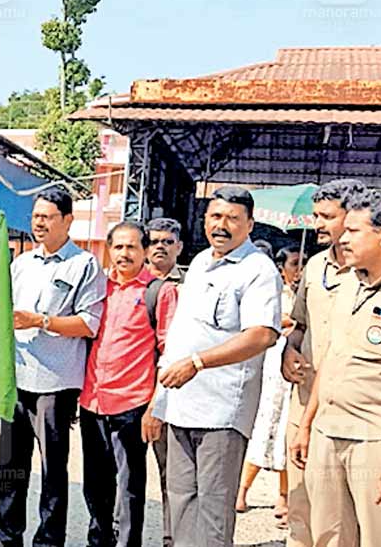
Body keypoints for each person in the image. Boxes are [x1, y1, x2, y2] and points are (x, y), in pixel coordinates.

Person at [291, 190, 381, 546]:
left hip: (378, 440)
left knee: (378, 539)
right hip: (327, 432)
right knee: (328, 537)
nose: (343, 237)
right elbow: (332, 358)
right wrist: (307, 425)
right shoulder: (349, 284)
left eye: (354, 230)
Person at [151, 186, 281, 547]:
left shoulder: (258, 270)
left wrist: (198, 363)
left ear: (249, 224)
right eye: (215, 216)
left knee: (212, 512)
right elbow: (181, 336)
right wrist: (159, 401)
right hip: (180, 407)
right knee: (179, 503)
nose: (221, 226)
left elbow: (261, 335)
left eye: (232, 219)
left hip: (221, 413)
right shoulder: (199, 263)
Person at [0, 185, 104, 547]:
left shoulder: (84, 265)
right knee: (12, 465)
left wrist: (40, 321)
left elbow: (88, 323)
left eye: (48, 217)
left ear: (68, 220)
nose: (40, 224)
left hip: (54, 382)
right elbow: (2, 309)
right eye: (36, 217)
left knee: (52, 468)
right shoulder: (20, 264)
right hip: (15, 377)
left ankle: (49, 539)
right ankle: (8, 534)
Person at [280, 178, 367, 547]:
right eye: (316, 215)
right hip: (304, 401)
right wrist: (288, 352)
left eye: (326, 216)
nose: (317, 223)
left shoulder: (372, 272)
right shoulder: (315, 267)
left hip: (353, 409)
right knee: (301, 502)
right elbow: (298, 326)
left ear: (352, 218)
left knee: (346, 515)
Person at [81, 222, 177, 547]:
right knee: (94, 485)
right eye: (118, 247)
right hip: (92, 402)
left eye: (132, 247)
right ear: (109, 249)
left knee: (129, 490)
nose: (124, 253)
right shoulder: (97, 289)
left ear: (145, 251)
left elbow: (170, 353)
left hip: (133, 406)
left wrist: (155, 407)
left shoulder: (159, 292)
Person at [235, 246, 302, 523]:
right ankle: (242, 490)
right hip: (270, 367)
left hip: (294, 371)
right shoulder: (273, 290)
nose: (300, 269)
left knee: (287, 433)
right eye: (295, 263)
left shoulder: (306, 294)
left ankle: (284, 495)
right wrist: (289, 320)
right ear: (281, 267)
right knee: (263, 427)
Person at [143, 216, 185, 547]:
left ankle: (172, 537)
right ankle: (117, 529)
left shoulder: (188, 287)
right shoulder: (128, 282)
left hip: (165, 395)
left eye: (167, 241)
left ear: (179, 247)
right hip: (126, 393)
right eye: (154, 240)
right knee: (123, 469)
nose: (160, 246)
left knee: (170, 472)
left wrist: (160, 400)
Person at [146, 218, 185, 285]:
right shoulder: (132, 278)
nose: (160, 246)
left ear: (179, 247)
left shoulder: (190, 281)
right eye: (153, 242)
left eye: (168, 242)